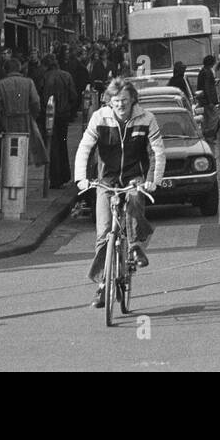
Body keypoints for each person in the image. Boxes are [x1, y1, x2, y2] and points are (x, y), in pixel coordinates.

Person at [74, 78, 165, 307]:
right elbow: (85, 147)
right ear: (109, 102)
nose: (120, 105)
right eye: (116, 101)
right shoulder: (99, 117)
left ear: (132, 99)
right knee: (104, 232)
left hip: (134, 176)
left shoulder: (147, 118)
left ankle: (135, 247)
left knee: (135, 200)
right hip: (107, 179)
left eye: (124, 100)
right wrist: (81, 179)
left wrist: (153, 180)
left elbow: (157, 151)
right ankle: (103, 286)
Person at [0, 58, 45, 170]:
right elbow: (35, 102)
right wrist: (31, 116)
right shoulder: (29, 82)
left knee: (8, 153)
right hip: (25, 122)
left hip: (7, 122)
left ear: (5, 70)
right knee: (23, 152)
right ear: (19, 68)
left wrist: (0, 123)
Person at [39, 54, 78, 188]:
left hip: (48, 115)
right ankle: (64, 175)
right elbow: (73, 96)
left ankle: (54, 178)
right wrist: (67, 108)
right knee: (62, 145)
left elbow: (40, 96)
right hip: (63, 115)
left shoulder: (44, 77)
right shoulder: (66, 76)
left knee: (51, 146)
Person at [197, 55, 220, 145]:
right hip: (207, 101)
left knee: (206, 119)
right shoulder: (207, 72)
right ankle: (209, 136)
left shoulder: (203, 71)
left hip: (203, 100)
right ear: (211, 62)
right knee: (214, 119)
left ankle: (206, 136)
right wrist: (210, 101)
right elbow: (207, 87)